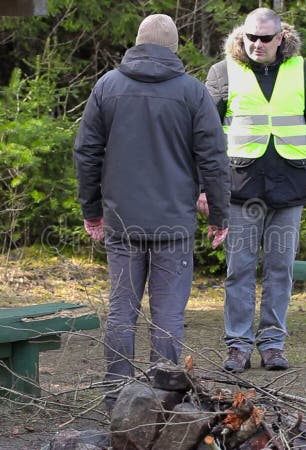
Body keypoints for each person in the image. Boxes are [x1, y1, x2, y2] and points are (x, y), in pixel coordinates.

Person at [74, 14, 230, 404]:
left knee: (122, 310)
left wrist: (92, 210)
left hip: (122, 221)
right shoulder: (192, 92)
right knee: (167, 315)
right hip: (173, 225)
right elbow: (214, 158)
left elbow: (86, 153)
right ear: (174, 49)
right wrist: (220, 216)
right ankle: (164, 400)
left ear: (137, 42)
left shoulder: (107, 87)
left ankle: (117, 397)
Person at [202, 8, 306, 372]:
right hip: (239, 190)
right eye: (251, 37)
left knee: (281, 270)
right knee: (239, 270)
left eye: (265, 38)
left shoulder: (303, 71)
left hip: (290, 187)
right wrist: (203, 188)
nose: (257, 44)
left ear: (281, 38)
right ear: (242, 36)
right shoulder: (222, 72)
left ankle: (273, 344)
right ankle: (238, 346)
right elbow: (202, 136)